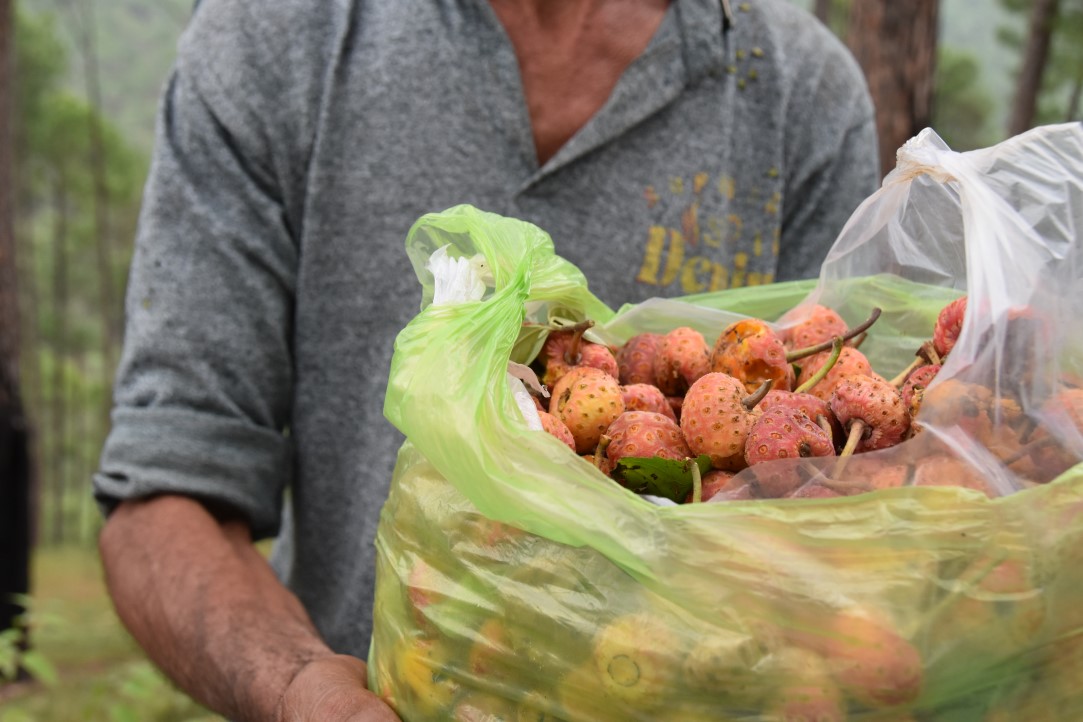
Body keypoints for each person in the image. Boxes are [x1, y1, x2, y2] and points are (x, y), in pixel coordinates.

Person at [93, 0, 879, 719]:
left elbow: (836, 506)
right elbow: (167, 492)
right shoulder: (273, 39)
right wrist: (298, 686)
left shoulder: (797, 91)